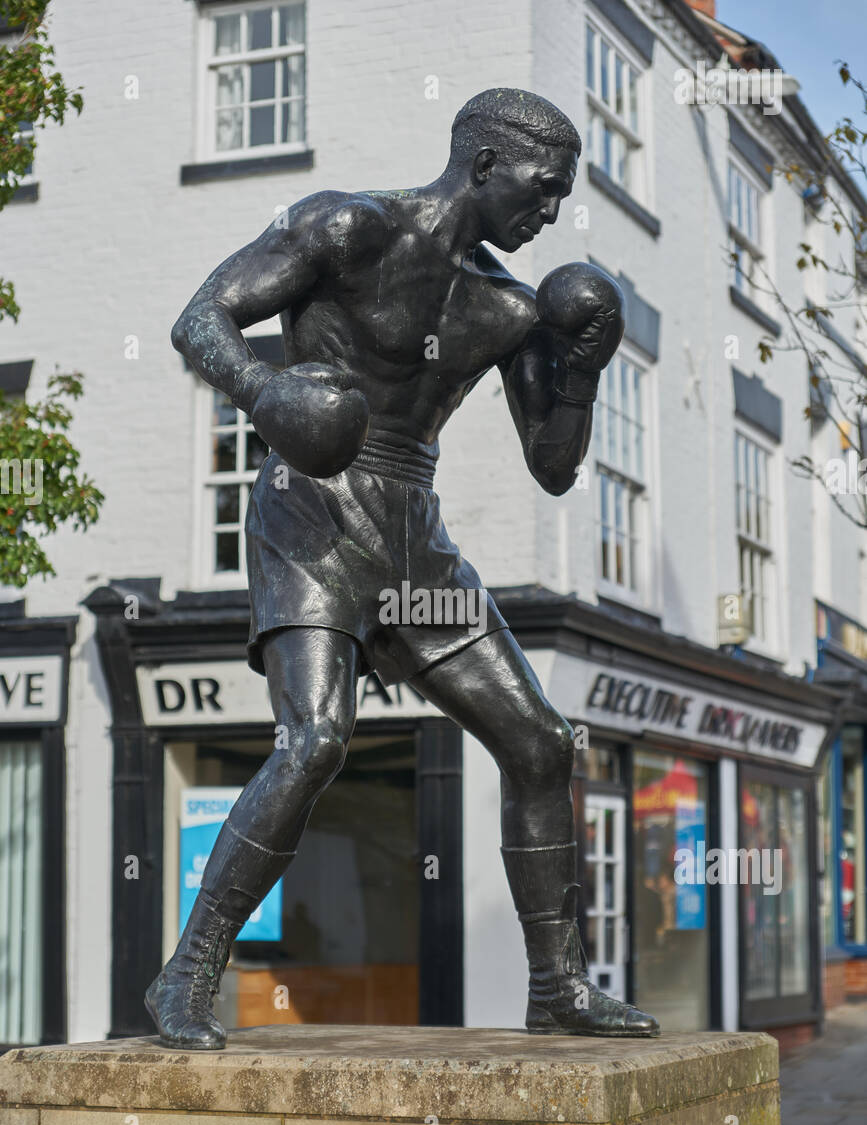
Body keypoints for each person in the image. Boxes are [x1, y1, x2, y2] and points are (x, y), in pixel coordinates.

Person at [145, 88, 660, 1048]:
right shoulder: (348, 227)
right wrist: (266, 389)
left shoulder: (508, 308)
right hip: (309, 504)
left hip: (411, 530)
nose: (548, 214)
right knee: (315, 740)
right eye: (543, 190)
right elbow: (199, 319)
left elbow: (552, 469)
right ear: (483, 166)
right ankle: (188, 973)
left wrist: (584, 368)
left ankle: (556, 989)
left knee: (542, 744)